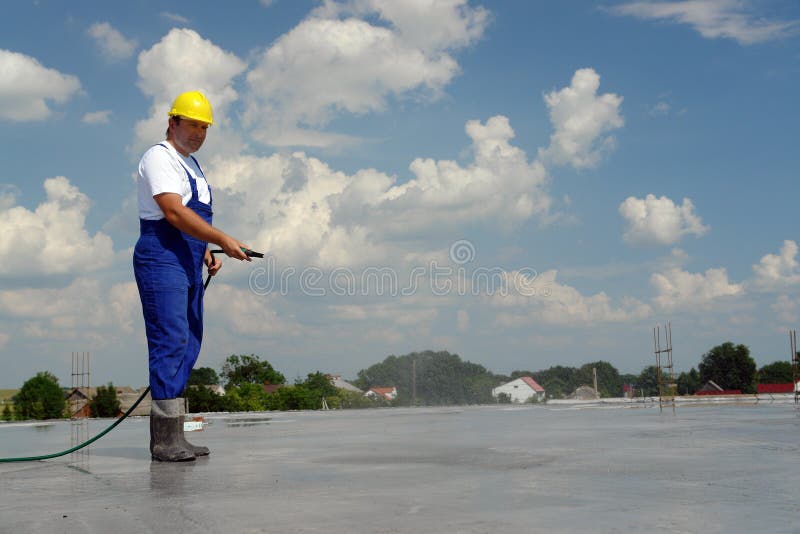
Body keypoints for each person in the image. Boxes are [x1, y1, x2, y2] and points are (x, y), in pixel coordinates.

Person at [134, 91, 250, 462]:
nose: (199, 133)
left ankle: (177, 435)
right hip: (161, 256)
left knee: (188, 341)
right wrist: (221, 239)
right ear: (173, 122)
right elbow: (172, 211)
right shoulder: (159, 157)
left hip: (186, 257)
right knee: (169, 339)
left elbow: (190, 219)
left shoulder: (192, 165)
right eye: (193, 125)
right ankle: (163, 441)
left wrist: (204, 251)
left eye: (205, 128)